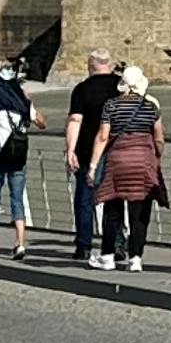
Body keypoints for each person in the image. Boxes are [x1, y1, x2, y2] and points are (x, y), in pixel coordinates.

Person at [88, 64, 167, 271]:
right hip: (143, 162)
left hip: (117, 161)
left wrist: (93, 166)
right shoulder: (151, 107)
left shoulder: (111, 105)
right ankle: (136, 258)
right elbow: (159, 139)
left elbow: (103, 136)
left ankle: (107, 256)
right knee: (139, 212)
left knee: (112, 209)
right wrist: (154, 157)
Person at [63, 50, 121, 265]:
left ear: (90, 65)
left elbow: (75, 121)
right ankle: (117, 242)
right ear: (111, 65)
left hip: (87, 150)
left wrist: (70, 150)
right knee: (115, 200)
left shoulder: (82, 89)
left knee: (84, 201)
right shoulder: (121, 87)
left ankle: (83, 245)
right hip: (117, 150)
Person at [0, 71, 40, 255]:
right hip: (17, 157)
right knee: (17, 200)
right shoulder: (24, 105)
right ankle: (20, 243)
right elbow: (42, 122)